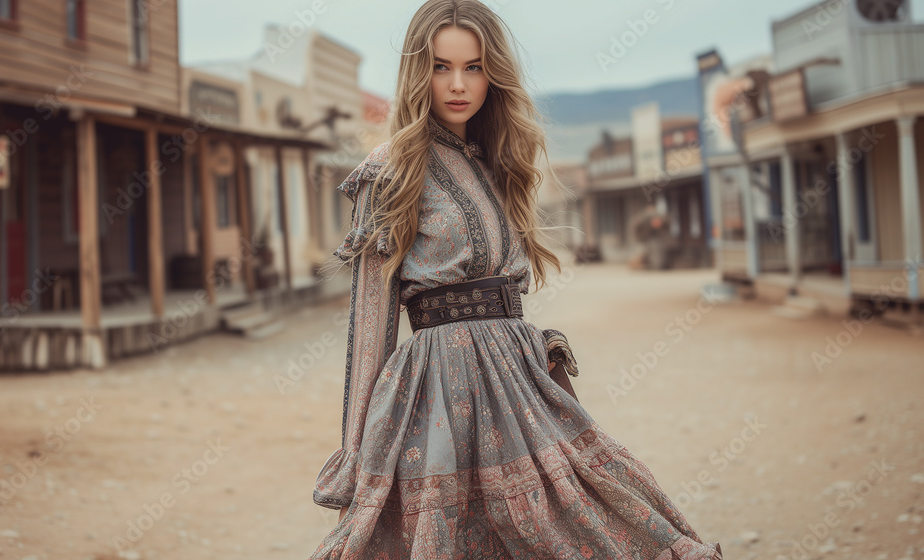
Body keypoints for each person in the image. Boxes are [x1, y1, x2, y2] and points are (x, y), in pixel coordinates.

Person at [310, 1, 723, 557]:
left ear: (494, 74)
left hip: (521, 381)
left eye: (474, 67)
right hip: (439, 394)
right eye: (440, 67)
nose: (458, 84)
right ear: (416, 72)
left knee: (595, 516)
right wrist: (355, 464)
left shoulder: (497, 161)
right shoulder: (389, 171)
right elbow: (368, 330)